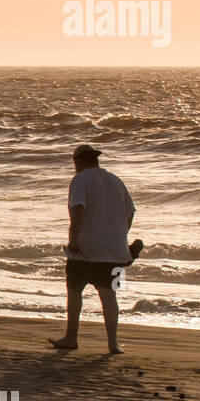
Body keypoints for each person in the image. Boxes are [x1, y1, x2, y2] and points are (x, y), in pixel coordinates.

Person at [50, 144, 141, 355]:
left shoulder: (81, 179)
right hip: (114, 249)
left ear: (77, 162)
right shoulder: (116, 180)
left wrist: (74, 238)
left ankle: (71, 338)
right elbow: (130, 213)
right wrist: (120, 237)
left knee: (74, 290)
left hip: (86, 248)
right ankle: (113, 344)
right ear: (96, 160)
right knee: (109, 293)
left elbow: (78, 208)